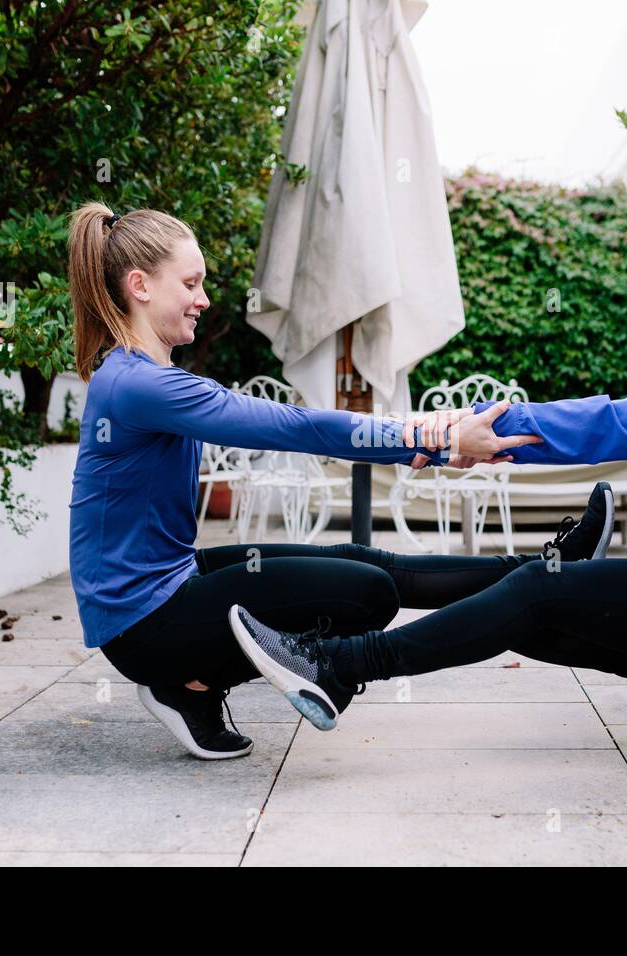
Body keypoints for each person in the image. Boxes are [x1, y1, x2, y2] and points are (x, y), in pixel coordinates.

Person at [230, 220, 627, 758]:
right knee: (520, 605)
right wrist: (464, 433)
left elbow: (607, 424)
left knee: (535, 591)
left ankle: (338, 668)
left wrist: (479, 428)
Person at [65, 202, 551, 760]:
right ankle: (188, 681)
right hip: (145, 625)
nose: (203, 299)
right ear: (140, 286)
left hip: (171, 582)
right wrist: (432, 439)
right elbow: (297, 426)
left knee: (364, 562)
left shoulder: (145, 376)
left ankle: (542, 569)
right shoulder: (138, 384)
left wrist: (423, 439)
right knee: (367, 595)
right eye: (191, 283)